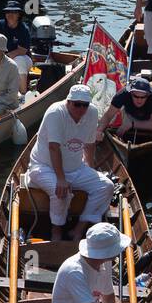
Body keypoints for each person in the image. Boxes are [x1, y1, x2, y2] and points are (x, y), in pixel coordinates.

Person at [25, 83, 114, 241]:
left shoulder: (92, 112)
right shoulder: (55, 112)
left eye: (84, 105)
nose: (81, 109)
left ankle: (78, 230)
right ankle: (56, 231)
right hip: (44, 167)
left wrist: (90, 168)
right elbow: (54, 147)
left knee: (106, 186)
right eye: (77, 104)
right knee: (61, 192)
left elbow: (90, 144)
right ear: (68, 102)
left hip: (75, 168)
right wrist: (60, 178)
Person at [97, 75, 152, 139]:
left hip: (149, 124)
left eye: (143, 97)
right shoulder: (123, 94)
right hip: (130, 118)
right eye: (136, 96)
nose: (139, 100)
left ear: (148, 94)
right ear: (130, 93)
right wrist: (99, 130)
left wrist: (132, 124)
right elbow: (108, 115)